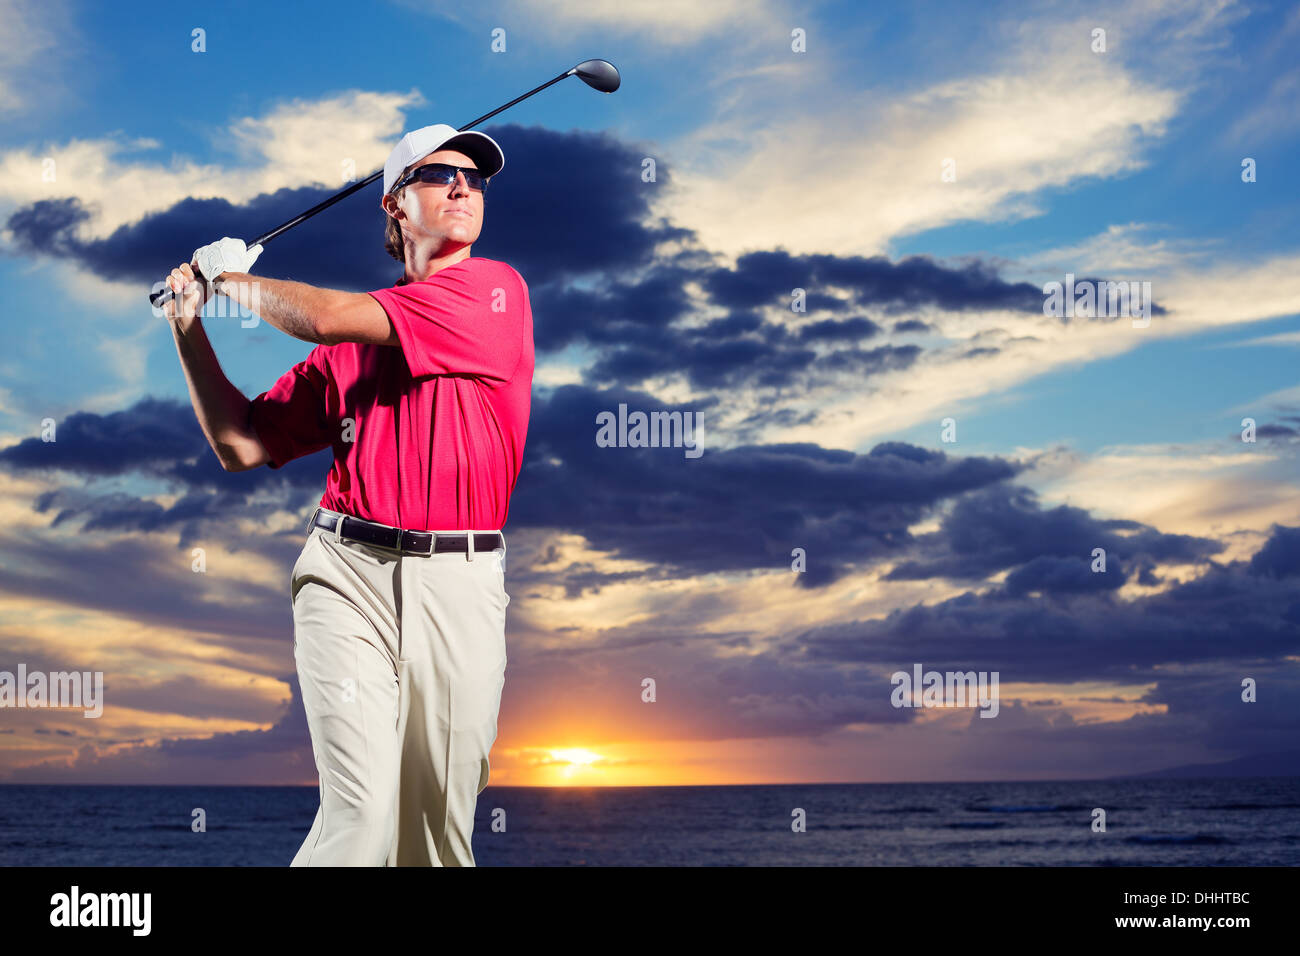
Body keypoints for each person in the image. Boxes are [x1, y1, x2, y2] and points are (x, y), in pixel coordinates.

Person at [160, 124, 534, 865]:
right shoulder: (345, 351)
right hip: (345, 574)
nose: (463, 186)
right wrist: (189, 325)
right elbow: (241, 444)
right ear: (394, 204)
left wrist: (228, 279)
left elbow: (327, 315)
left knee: (435, 840)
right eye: (438, 175)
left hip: (460, 583)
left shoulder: (496, 292)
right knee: (359, 820)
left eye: (474, 178)